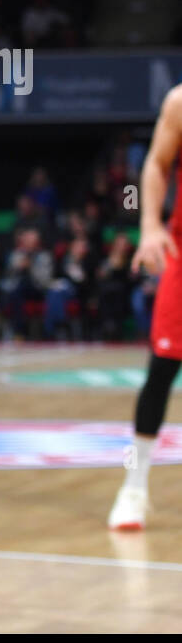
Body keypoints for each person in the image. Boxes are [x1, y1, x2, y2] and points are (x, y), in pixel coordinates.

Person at [110, 82, 182, 529]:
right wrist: (151, 225)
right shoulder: (179, 101)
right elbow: (156, 163)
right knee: (162, 369)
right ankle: (133, 488)